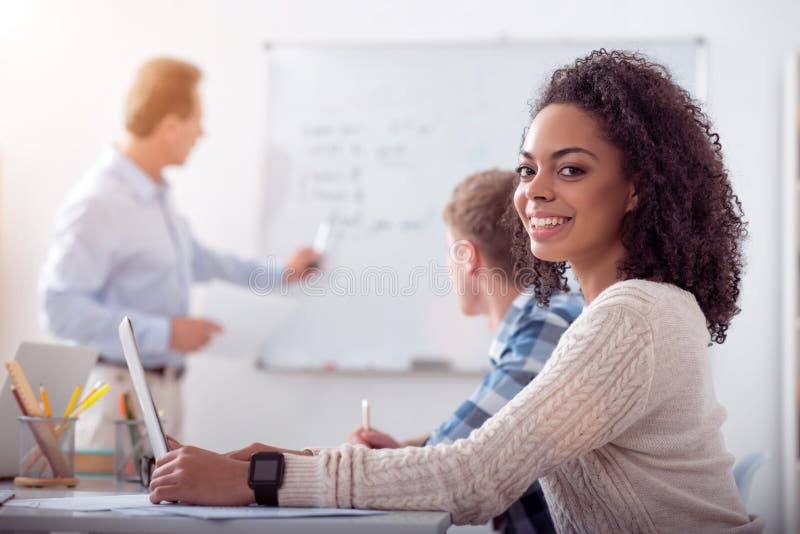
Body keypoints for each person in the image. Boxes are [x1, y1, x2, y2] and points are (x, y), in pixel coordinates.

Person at [146, 50, 763, 533]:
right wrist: (273, 461)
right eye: (529, 168)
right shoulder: (627, 309)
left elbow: (474, 478)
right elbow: (483, 454)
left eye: (570, 169)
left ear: (636, 188)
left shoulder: (632, 318)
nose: (534, 191)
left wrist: (258, 478)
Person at [39, 57, 320, 449]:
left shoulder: (157, 197)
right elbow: (60, 310)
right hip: (116, 400)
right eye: (197, 121)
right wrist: (166, 332)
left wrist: (280, 273)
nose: (201, 133)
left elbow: (199, 260)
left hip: (164, 395)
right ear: (170, 126)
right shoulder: (99, 202)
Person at [347, 169, 583, 533]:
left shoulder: (546, 327)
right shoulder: (549, 317)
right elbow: (481, 443)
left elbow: (451, 471)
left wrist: (391, 464)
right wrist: (405, 453)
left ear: (468, 257)